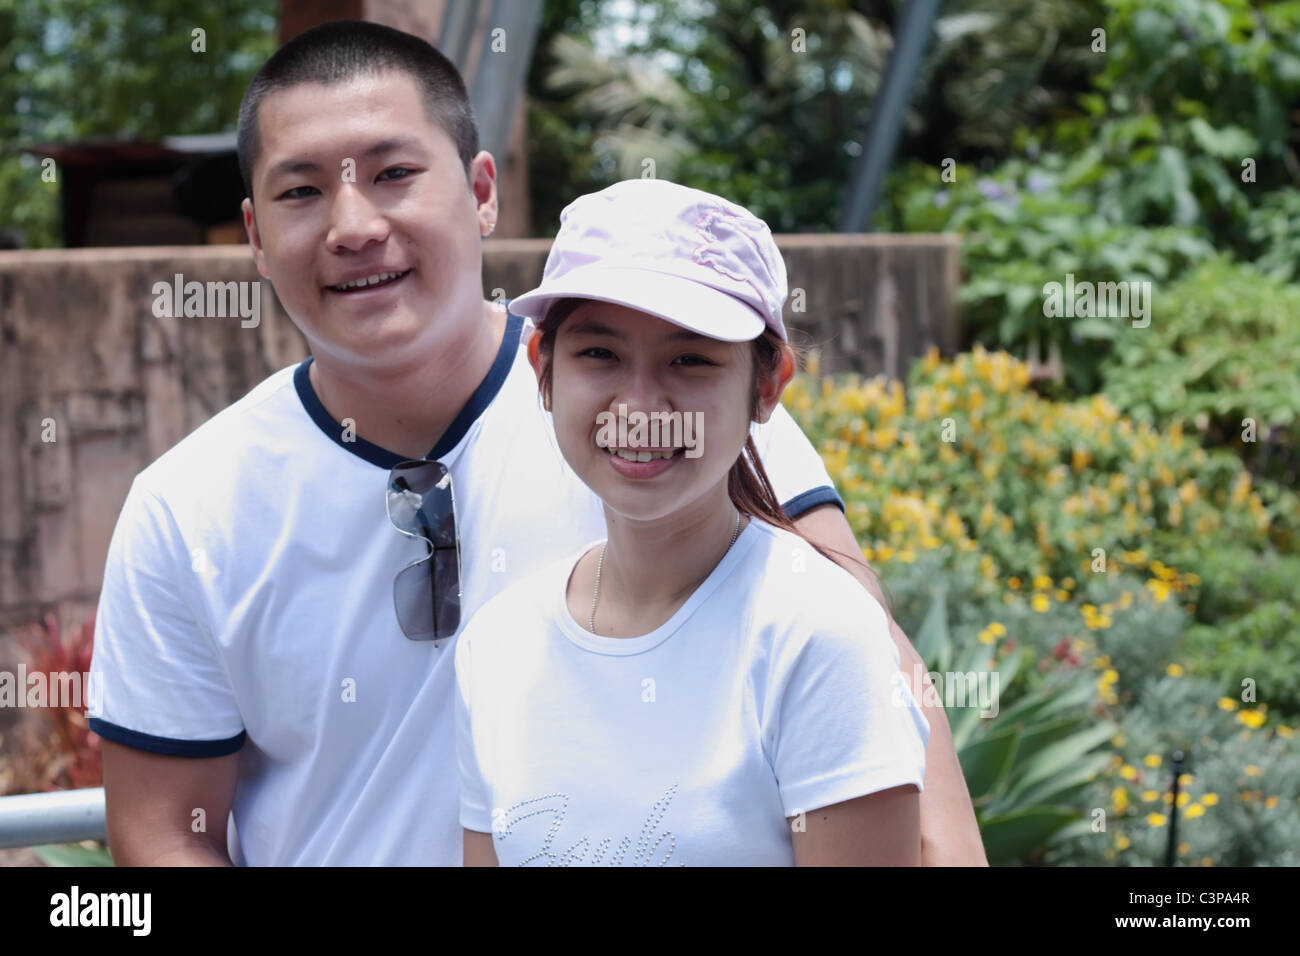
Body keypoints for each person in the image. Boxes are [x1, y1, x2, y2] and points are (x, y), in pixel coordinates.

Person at [88, 20, 984, 866]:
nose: (353, 226)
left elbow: (874, 671)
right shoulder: (187, 509)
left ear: (481, 193)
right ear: (254, 234)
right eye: (301, 191)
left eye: (395, 173)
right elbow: (162, 832)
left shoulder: (674, 416)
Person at [455, 179, 929, 866]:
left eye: (690, 360)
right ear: (543, 369)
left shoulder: (817, 636)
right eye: (600, 354)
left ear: (767, 385)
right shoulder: (496, 646)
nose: (641, 405)